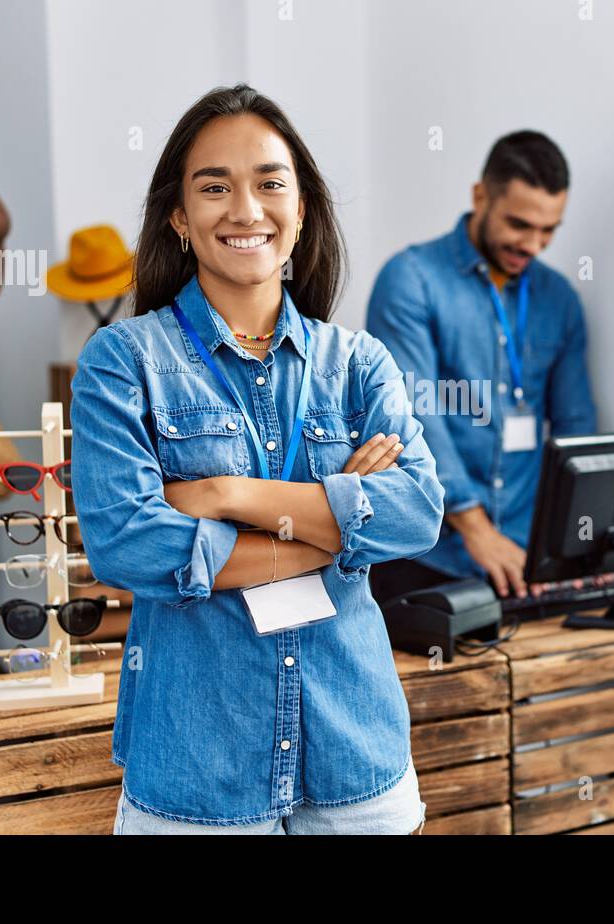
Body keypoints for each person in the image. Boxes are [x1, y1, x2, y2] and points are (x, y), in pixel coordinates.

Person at [71, 84, 444, 834]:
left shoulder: (359, 363)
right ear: (179, 215)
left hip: (358, 763)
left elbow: (416, 513)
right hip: (197, 774)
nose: (245, 210)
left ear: (301, 208)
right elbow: (127, 543)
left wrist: (222, 493)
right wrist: (336, 533)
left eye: (270, 183)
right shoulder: (121, 362)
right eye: (215, 188)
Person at [366, 132, 597, 604]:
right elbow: (413, 414)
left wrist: (580, 540)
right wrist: (474, 526)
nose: (533, 243)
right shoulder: (410, 280)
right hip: (428, 558)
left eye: (549, 229)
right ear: (480, 196)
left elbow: (576, 430)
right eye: (519, 223)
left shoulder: (560, 301)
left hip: (524, 558)